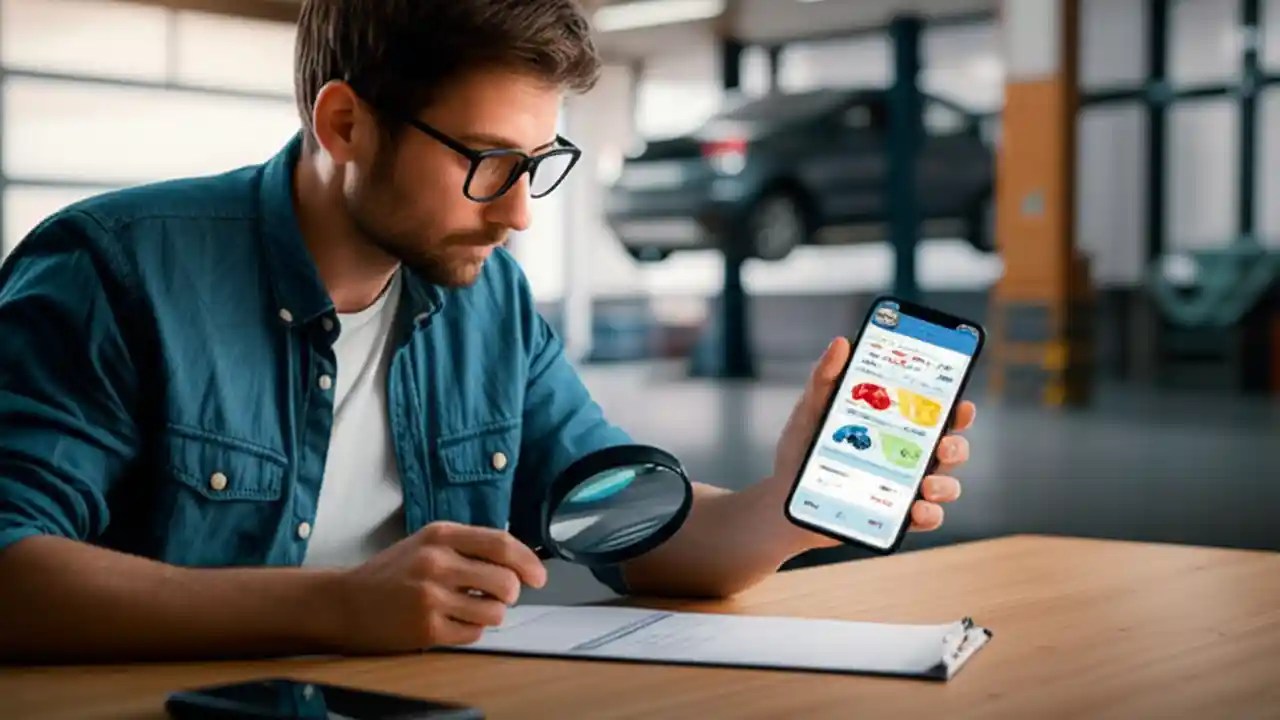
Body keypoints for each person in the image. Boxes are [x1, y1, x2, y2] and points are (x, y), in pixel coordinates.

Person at [0, 0, 975, 663]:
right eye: (487, 163)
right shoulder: (114, 268)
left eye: (536, 163)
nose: (517, 217)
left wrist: (787, 507)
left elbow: (622, 525)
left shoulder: (486, 300)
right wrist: (339, 606)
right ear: (344, 126)